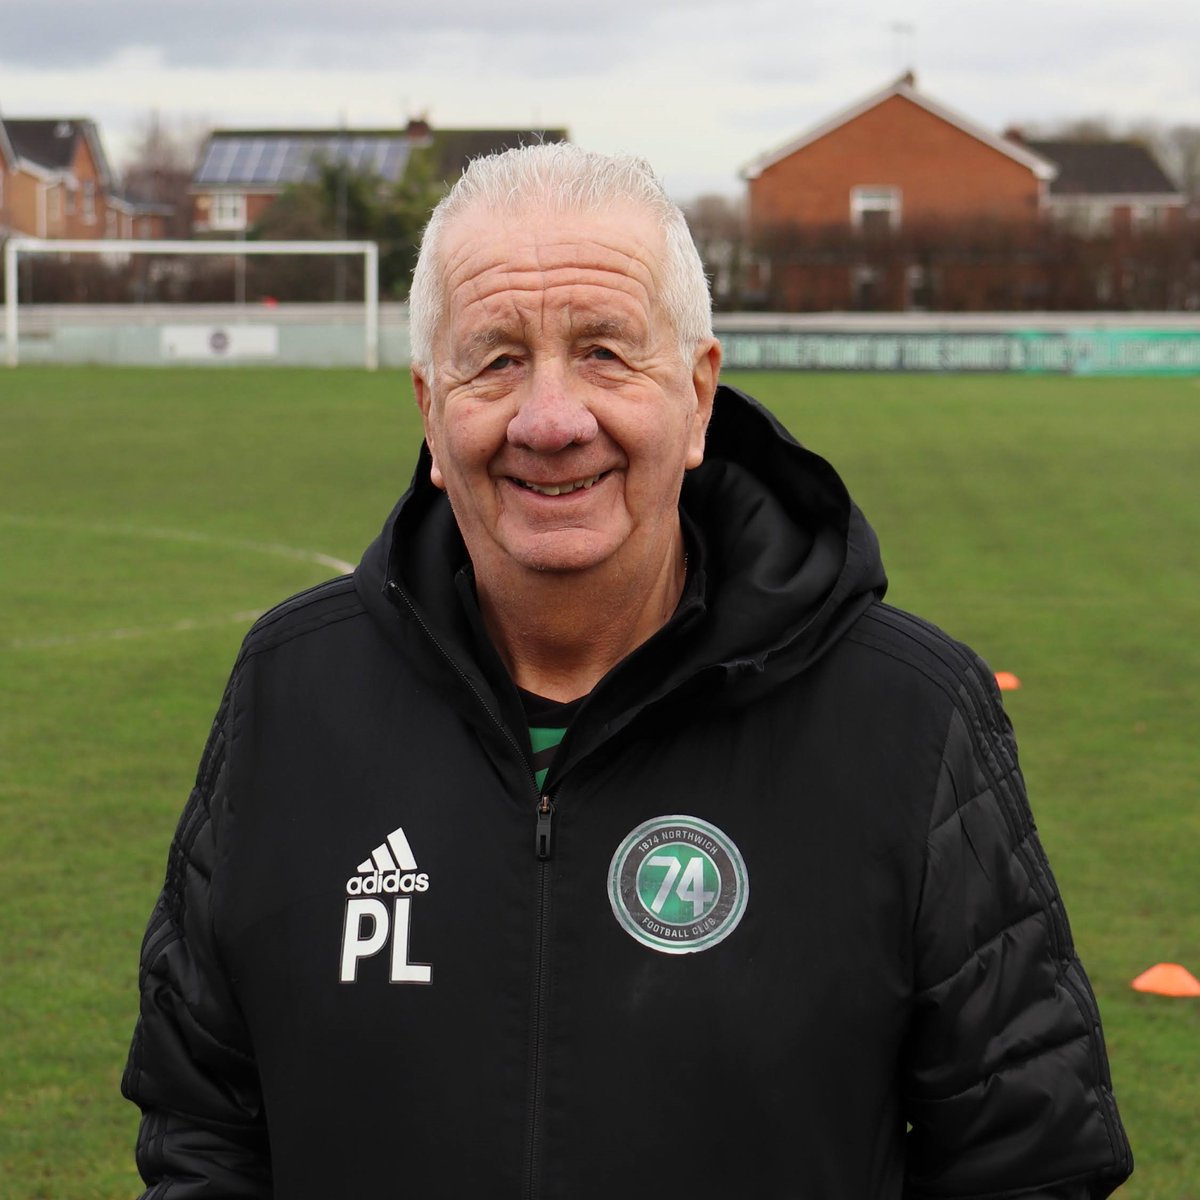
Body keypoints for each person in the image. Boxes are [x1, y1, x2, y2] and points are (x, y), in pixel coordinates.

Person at [123, 143, 1133, 1198]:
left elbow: (1031, 1161)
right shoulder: (290, 692)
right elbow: (203, 1127)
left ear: (697, 395)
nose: (551, 421)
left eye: (604, 352)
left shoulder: (910, 717)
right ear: (429, 409)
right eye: (496, 360)